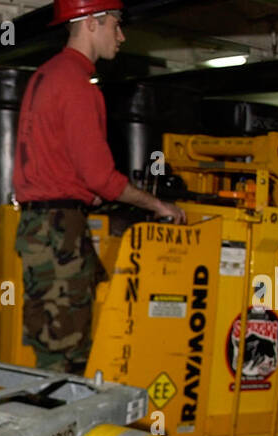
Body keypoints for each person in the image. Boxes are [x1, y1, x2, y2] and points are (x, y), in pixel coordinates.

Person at [13, 0, 185, 373]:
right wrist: (158, 206)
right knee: (67, 357)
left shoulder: (45, 75)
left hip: (40, 227)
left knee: (51, 342)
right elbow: (101, 178)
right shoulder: (76, 83)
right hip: (60, 232)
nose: (121, 36)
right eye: (116, 25)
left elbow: (55, 163)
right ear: (93, 22)